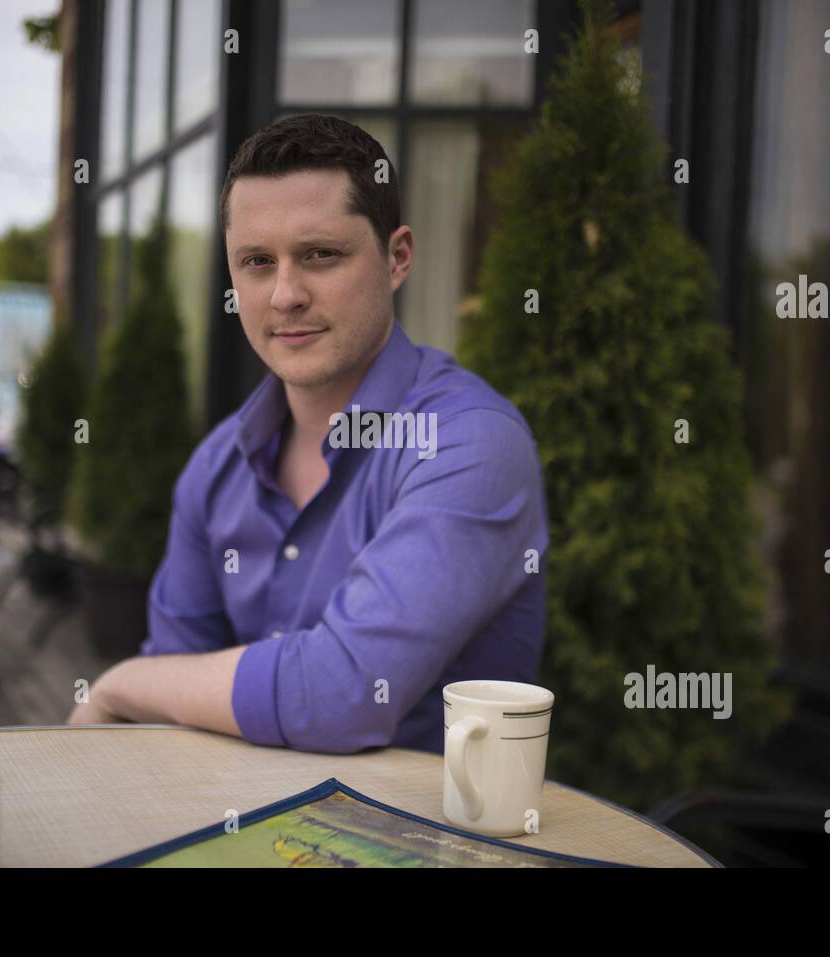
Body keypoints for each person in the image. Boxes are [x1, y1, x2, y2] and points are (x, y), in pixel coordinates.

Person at [67, 112, 547, 755]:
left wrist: (121, 681)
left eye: (321, 255)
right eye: (257, 262)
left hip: (432, 846)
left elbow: (341, 694)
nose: (285, 294)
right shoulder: (216, 467)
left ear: (397, 258)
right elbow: (164, 717)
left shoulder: (471, 443)